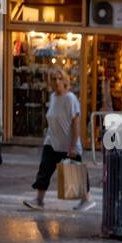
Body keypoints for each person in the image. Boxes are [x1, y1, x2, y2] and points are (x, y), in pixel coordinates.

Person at [23, 69, 94, 212]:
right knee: (44, 170)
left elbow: (75, 122)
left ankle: (87, 199)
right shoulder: (53, 97)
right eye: (53, 79)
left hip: (68, 144)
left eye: (59, 78)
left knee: (76, 172)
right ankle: (39, 200)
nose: (57, 82)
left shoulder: (70, 98)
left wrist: (73, 146)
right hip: (52, 142)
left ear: (65, 80)